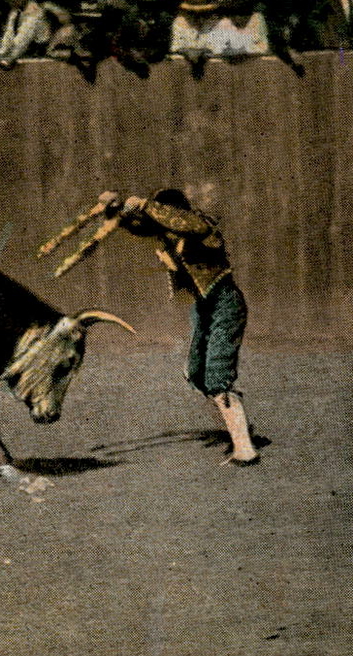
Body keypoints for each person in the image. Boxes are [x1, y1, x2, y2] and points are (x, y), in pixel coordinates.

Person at [100, 188, 260, 465]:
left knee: (216, 377)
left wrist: (146, 205)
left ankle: (245, 448)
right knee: (197, 374)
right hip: (203, 307)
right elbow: (140, 227)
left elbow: (186, 224)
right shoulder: (171, 236)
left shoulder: (201, 227)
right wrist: (116, 211)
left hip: (224, 303)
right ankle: (237, 426)